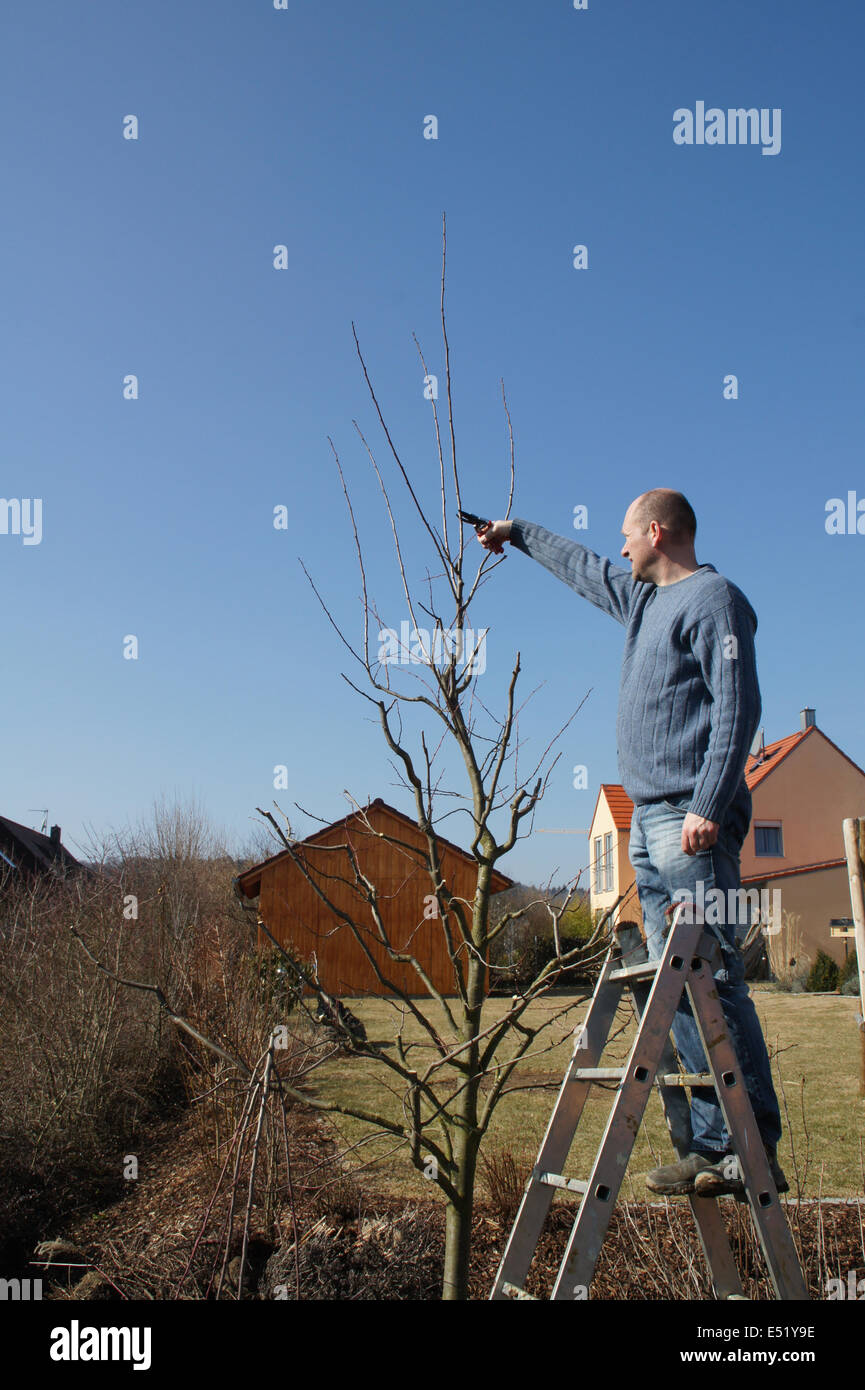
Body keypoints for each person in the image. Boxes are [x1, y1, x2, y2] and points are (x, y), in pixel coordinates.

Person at [476, 491, 787, 1197]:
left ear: (655, 532)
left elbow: (738, 705)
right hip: (646, 823)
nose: (619, 549)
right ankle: (709, 1148)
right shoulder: (644, 602)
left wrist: (707, 804)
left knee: (715, 976)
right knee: (672, 985)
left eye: (626, 536)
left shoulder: (714, 600)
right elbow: (585, 567)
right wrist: (517, 532)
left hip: (689, 818)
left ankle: (752, 1150)